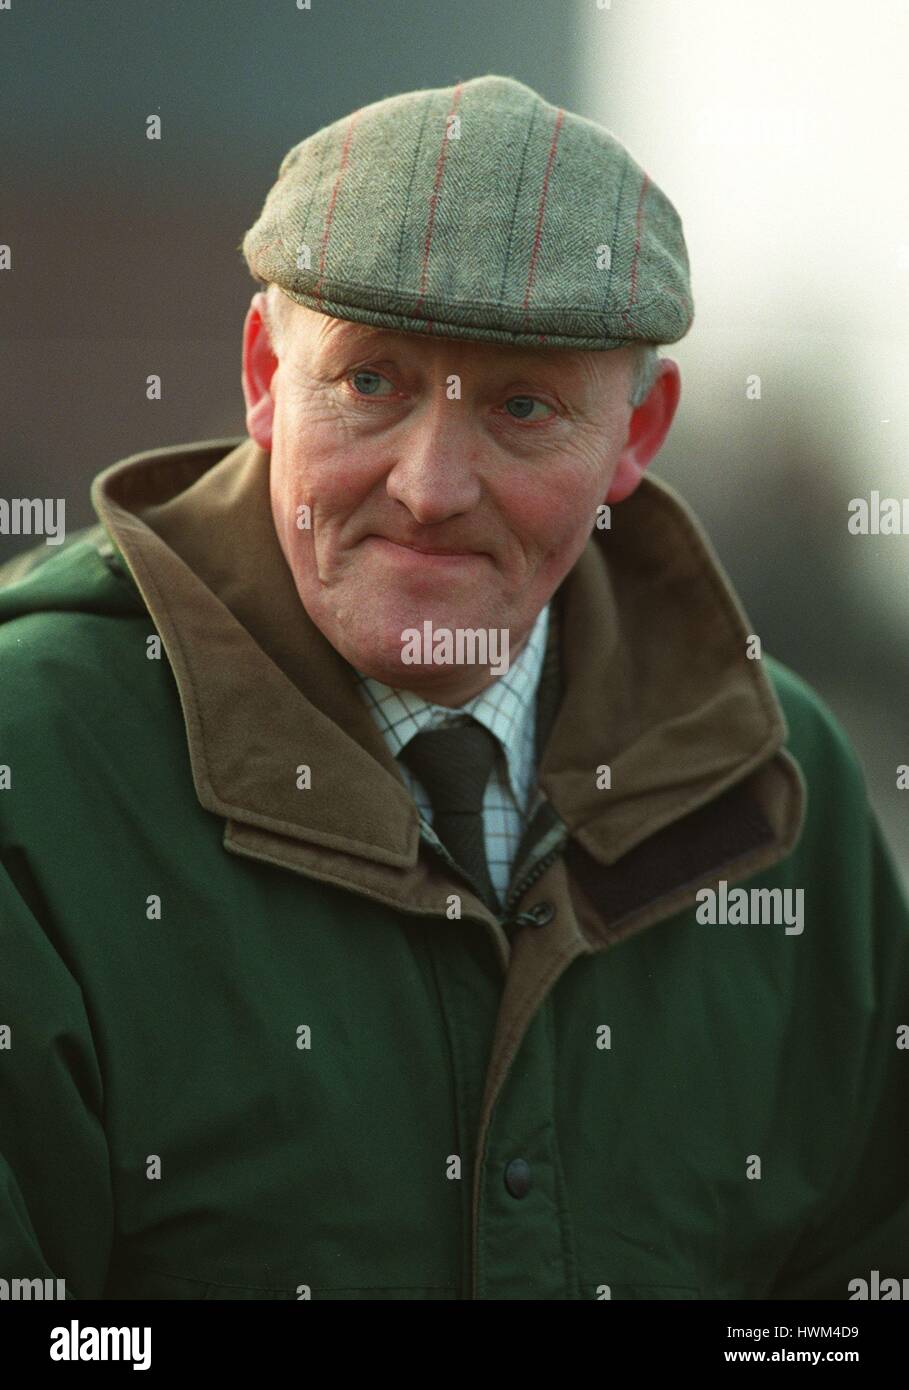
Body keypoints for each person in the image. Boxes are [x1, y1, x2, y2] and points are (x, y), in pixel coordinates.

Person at [1, 74, 907, 1302]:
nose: (430, 486)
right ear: (267, 374)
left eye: (523, 407)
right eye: (371, 382)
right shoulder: (35, 771)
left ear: (635, 439)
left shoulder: (779, 792)